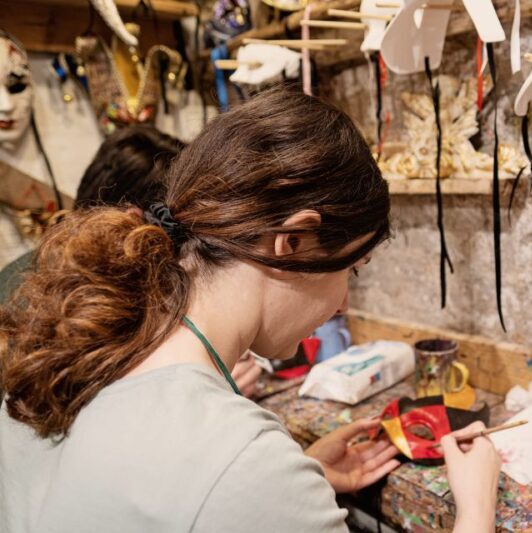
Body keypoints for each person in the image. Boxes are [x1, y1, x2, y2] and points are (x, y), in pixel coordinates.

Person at [0, 87, 501, 532]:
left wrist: (296, 481)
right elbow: (221, 480)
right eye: (352, 268)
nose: (345, 301)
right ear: (293, 241)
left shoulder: (69, 354)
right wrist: (475, 509)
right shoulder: (243, 464)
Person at [0, 125, 264, 399]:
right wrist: (206, 390)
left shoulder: (83, 280)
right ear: (135, 224)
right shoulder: (54, 306)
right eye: (177, 231)